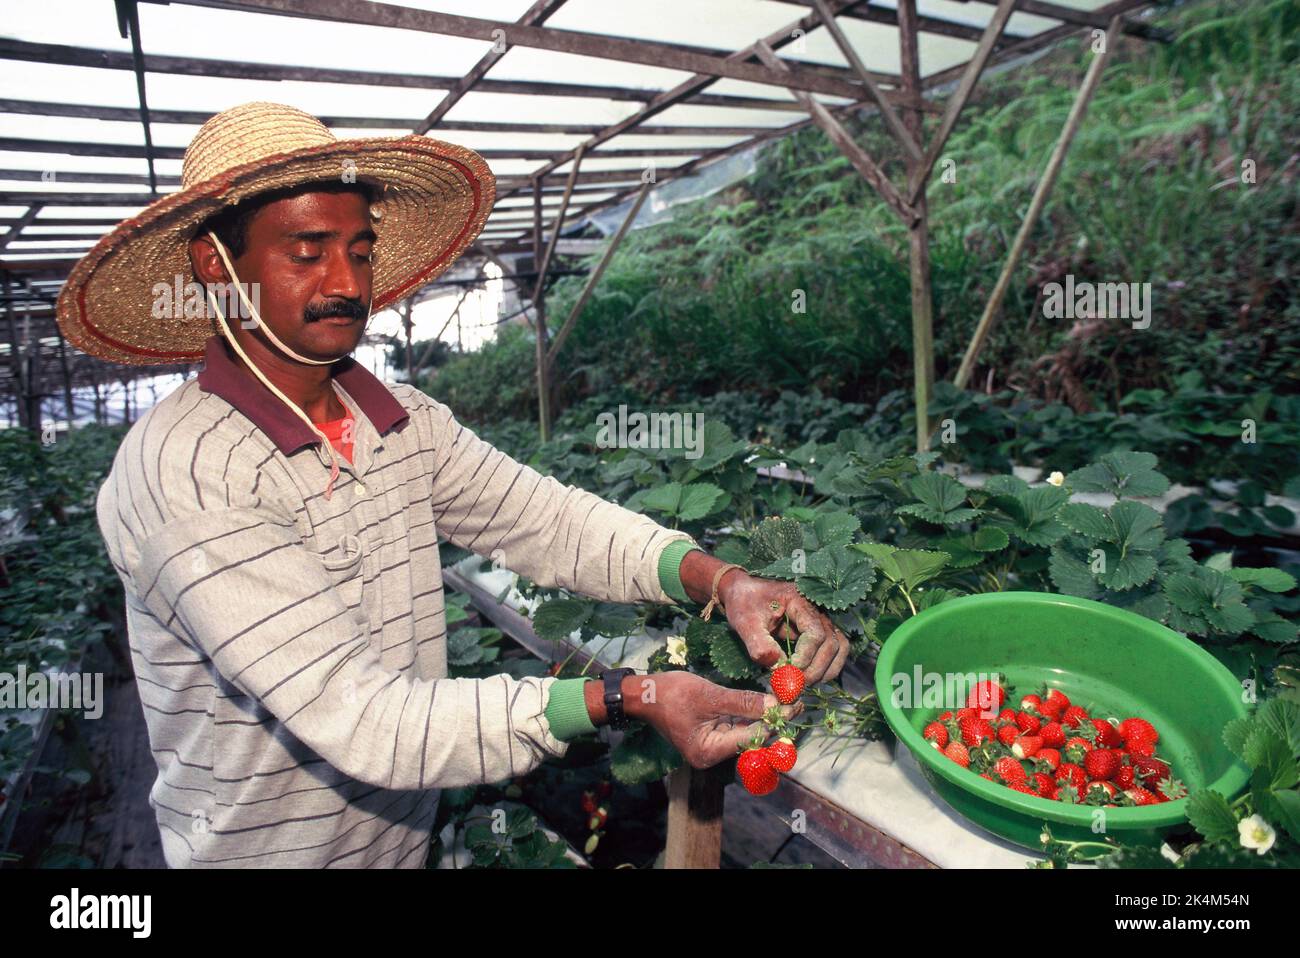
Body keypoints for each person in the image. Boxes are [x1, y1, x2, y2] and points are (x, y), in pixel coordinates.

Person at [57, 102, 850, 868]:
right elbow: (358, 714)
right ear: (216, 266)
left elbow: (546, 521)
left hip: (400, 842)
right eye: (307, 251)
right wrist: (625, 697)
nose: (346, 283)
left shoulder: (399, 418)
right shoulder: (185, 472)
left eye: (360, 251)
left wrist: (724, 580)